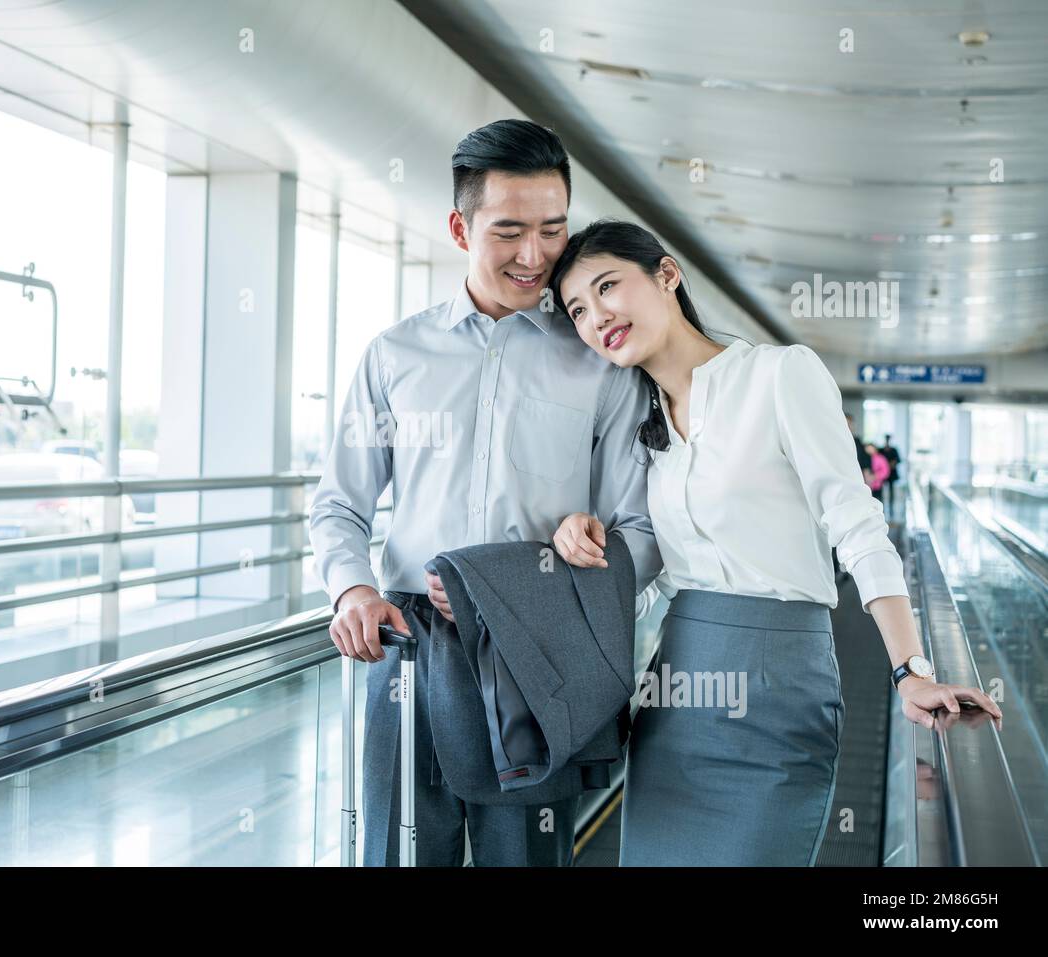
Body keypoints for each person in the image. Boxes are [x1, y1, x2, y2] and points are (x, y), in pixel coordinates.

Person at [548, 218, 1002, 866]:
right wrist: (579, 537)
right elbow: (652, 574)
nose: (597, 316)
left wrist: (909, 670)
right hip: (675, 697)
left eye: (608, 286)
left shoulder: (780, 375)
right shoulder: (638, 429)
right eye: (578, 310)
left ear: (667, 274)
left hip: (781, 691)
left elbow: (855, 522)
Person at [309, 123, 659, 867]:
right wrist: (351, 591)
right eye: (509, 232)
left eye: (552, 230)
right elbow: (340, 502)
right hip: (408, 653)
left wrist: (583, 554)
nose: (534, 256)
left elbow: (641, 531)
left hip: (536, 660)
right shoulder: (396, 355)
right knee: (395, 854)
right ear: (460, 227)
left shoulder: (600, 360)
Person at [880, 434, 902, 516]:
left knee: (891, 491)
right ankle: (883, 507)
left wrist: (892, 464)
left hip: (891, 474)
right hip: (883, 474)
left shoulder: (894, 450)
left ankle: (891, 508)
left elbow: (898, 460)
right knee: (881, 491)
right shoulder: (881, 450)